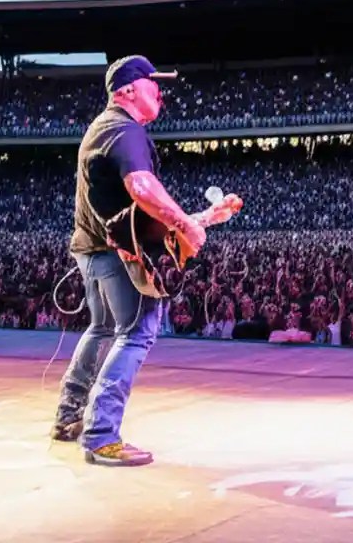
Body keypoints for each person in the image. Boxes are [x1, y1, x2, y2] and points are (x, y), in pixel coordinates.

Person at [51, 55, 208, 466]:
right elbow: (140, 185)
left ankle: (69, 417)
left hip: (89, 250)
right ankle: (102, 436)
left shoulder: (99, 129)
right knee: (136, 332)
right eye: (151, 82)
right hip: (117, 254)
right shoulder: (124, 129)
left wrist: (198, 217)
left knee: (102, 328)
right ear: (125, 91)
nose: (159, 90)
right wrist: (184, 225)